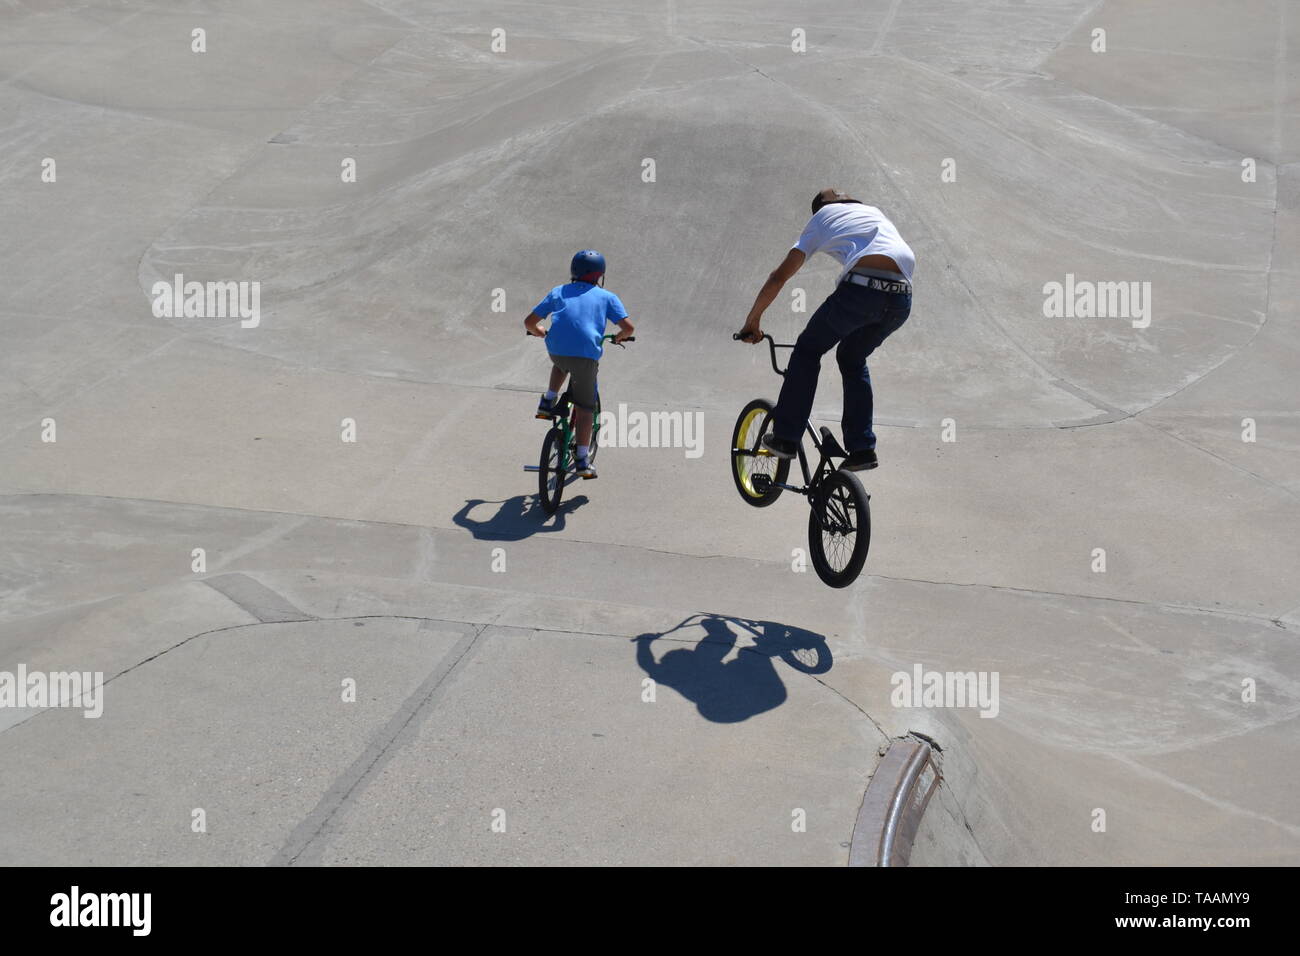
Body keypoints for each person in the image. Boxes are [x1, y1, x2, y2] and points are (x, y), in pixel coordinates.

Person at [737, 188, 914, 471]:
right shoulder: (872, 211)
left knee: (807, 351)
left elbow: (779, 275)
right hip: (901, 297)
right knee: (852, 359)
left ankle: (785, 439)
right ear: (846, 200)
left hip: (862, 292)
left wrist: (753, 320)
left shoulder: (822, 217)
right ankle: (862, 448)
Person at [525, 250, 634, 479]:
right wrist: (619, 337)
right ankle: (583, 459)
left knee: (561, 363)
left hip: (556, 350)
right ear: (599, 275)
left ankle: (547, 400)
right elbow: (629, 328)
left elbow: (530, 322)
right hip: (585, 357)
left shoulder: (558, 291)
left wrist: (539, 332)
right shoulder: (607, 297)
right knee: (586, 408)